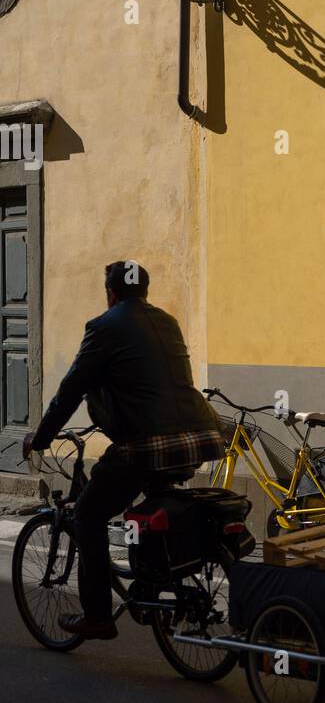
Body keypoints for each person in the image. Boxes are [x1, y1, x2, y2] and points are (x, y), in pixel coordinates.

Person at [23, 261, 224, 641]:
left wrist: (43, 436)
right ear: (144, 291)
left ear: (110, 293)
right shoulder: (167, 322)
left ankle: (98, 616)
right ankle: (148, 587)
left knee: (88, 514)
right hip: (198, 438)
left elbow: (71, 389)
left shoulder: (103, 327)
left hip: (148, 445)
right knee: (151, 504)